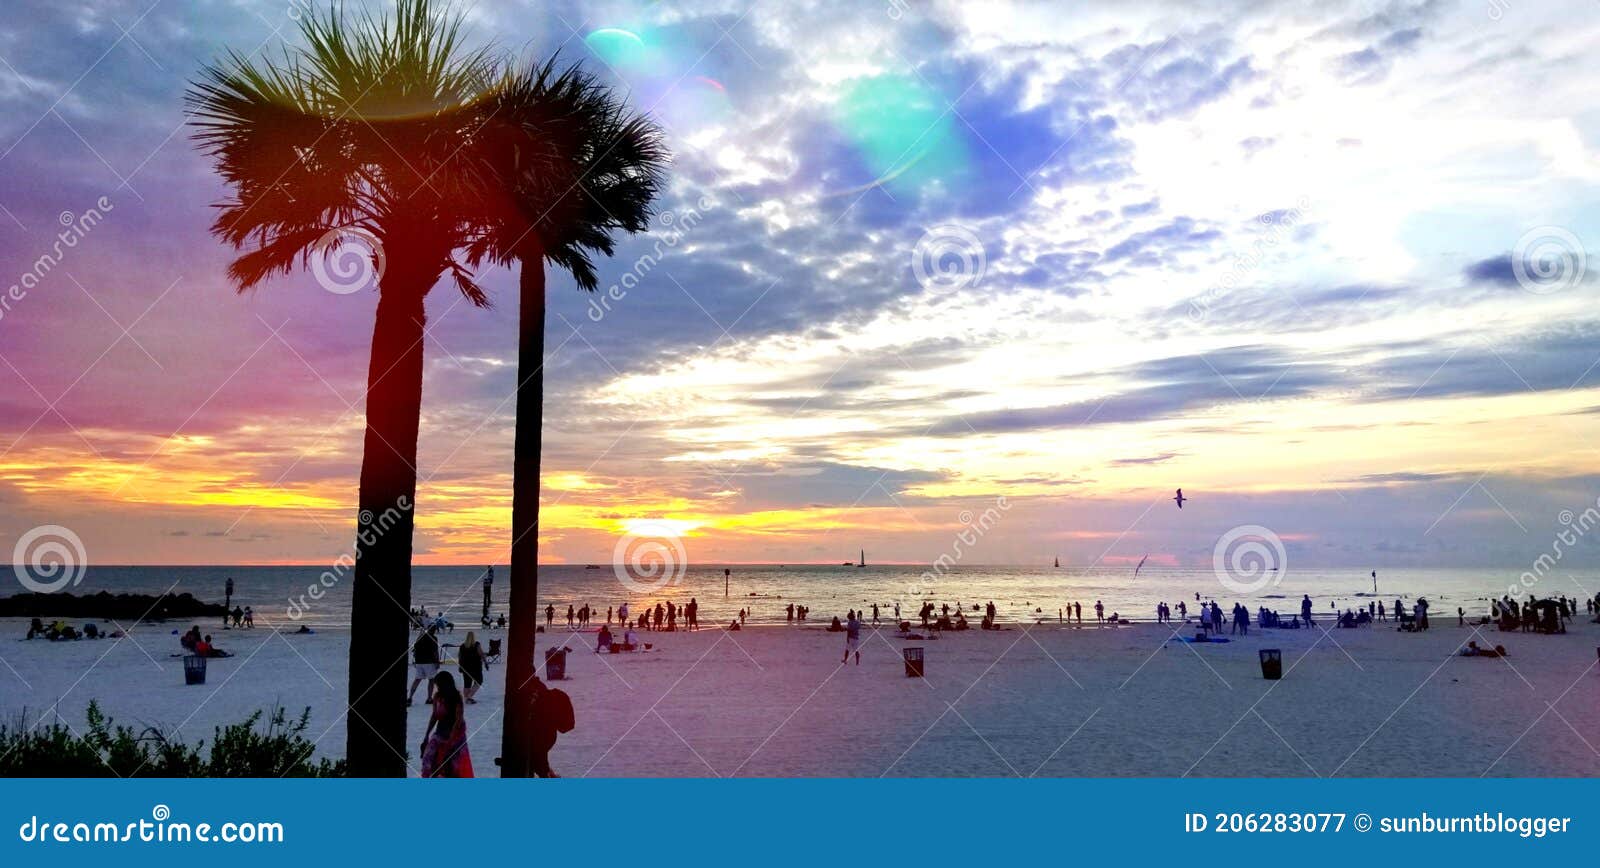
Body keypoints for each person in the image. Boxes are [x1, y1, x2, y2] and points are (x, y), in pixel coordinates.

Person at [421, 672, 473, 777]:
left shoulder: (456, 698)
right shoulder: (437, 697)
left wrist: (451, 741)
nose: (438, 688)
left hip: (456, 734)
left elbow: (458, 721)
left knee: (453, 765)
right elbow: (434, 716)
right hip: (440, 731)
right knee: (428, 757)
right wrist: (426, 735)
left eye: (439, 685)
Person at [407, 627, 441, 705]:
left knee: (417, 680)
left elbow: (415, 649)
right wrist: (437, 662)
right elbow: (435, 651)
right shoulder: (434, 638)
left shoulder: (420, 637)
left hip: (419, 661)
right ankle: (429, 698)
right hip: (429, 662)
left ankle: (410, 697)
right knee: (431, 680)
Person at [458, 631, 484, 704]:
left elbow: (460, 656)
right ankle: (469, 697)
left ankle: (466, 698)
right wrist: (485, 661)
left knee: (467, 683)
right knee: (479, 681)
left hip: (465, 667)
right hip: (476, 667)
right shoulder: (476, 645)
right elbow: (481, 654)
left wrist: (460, 666)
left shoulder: (462, 646)